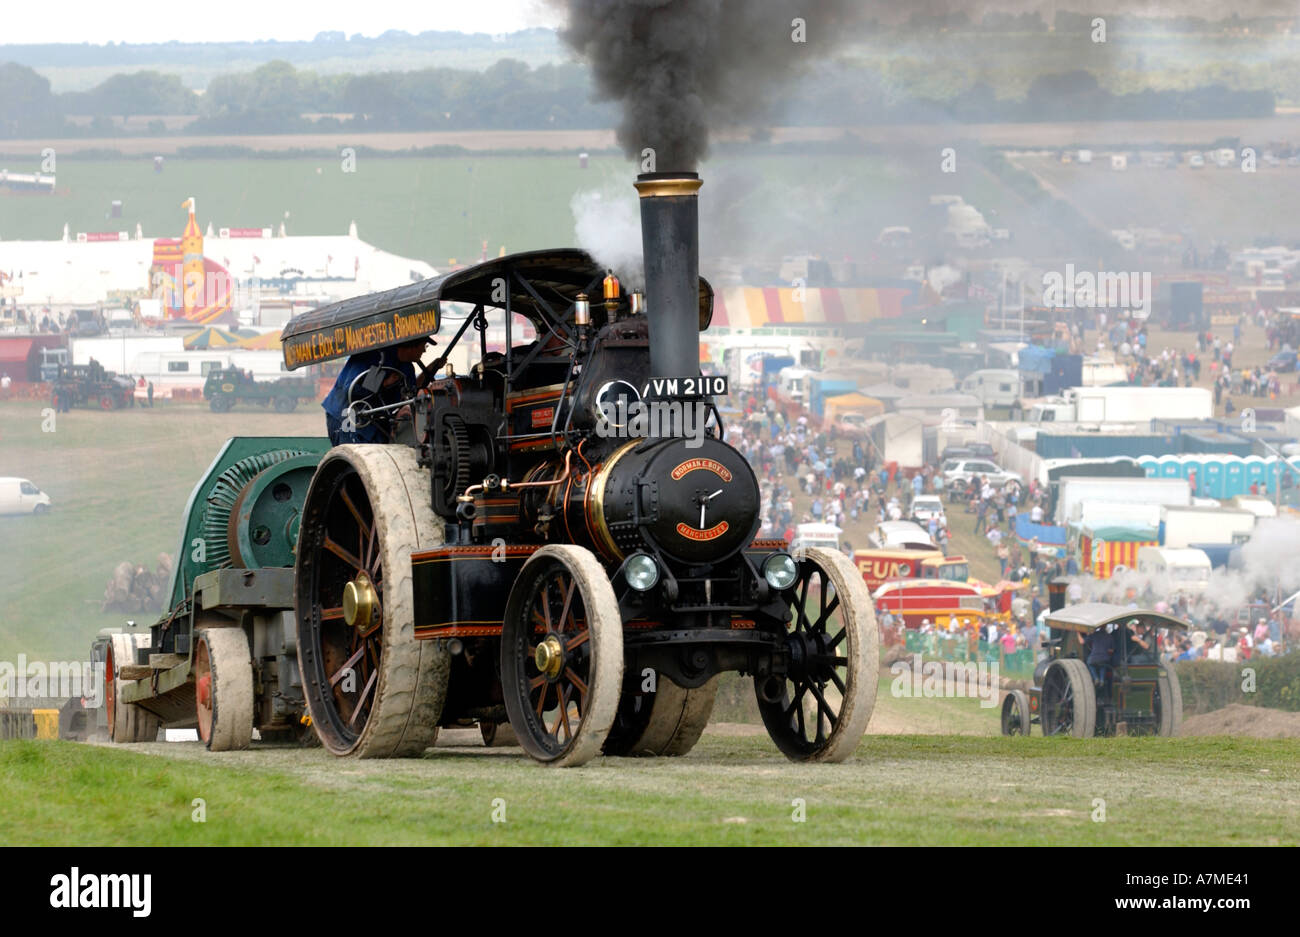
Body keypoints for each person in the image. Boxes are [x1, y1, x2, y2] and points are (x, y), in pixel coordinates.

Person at [322, 337, 435, 445]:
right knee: (355, 456)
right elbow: (352, 388)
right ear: (411, 346)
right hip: (347, 416)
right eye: (423, 346)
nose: (424, 350)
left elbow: (411, 393)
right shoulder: (377, 356)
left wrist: (430, 369)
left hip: (375, 421)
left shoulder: (407, 367)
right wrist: (385, 383)